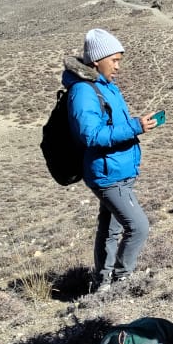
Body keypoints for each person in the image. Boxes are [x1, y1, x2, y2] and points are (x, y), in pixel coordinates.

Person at [62, 28, 158, 294]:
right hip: (108, 174)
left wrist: (137, 124)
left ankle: (102, 283)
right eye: (114, 60)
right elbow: (91, 135)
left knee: (110, 229)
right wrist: (135, 127)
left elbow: (111, 125)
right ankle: (121, 281)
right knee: (138, 227)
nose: (118, 66)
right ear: (96, 60)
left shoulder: (105, 86)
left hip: (117, 169)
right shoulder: (83, 91)